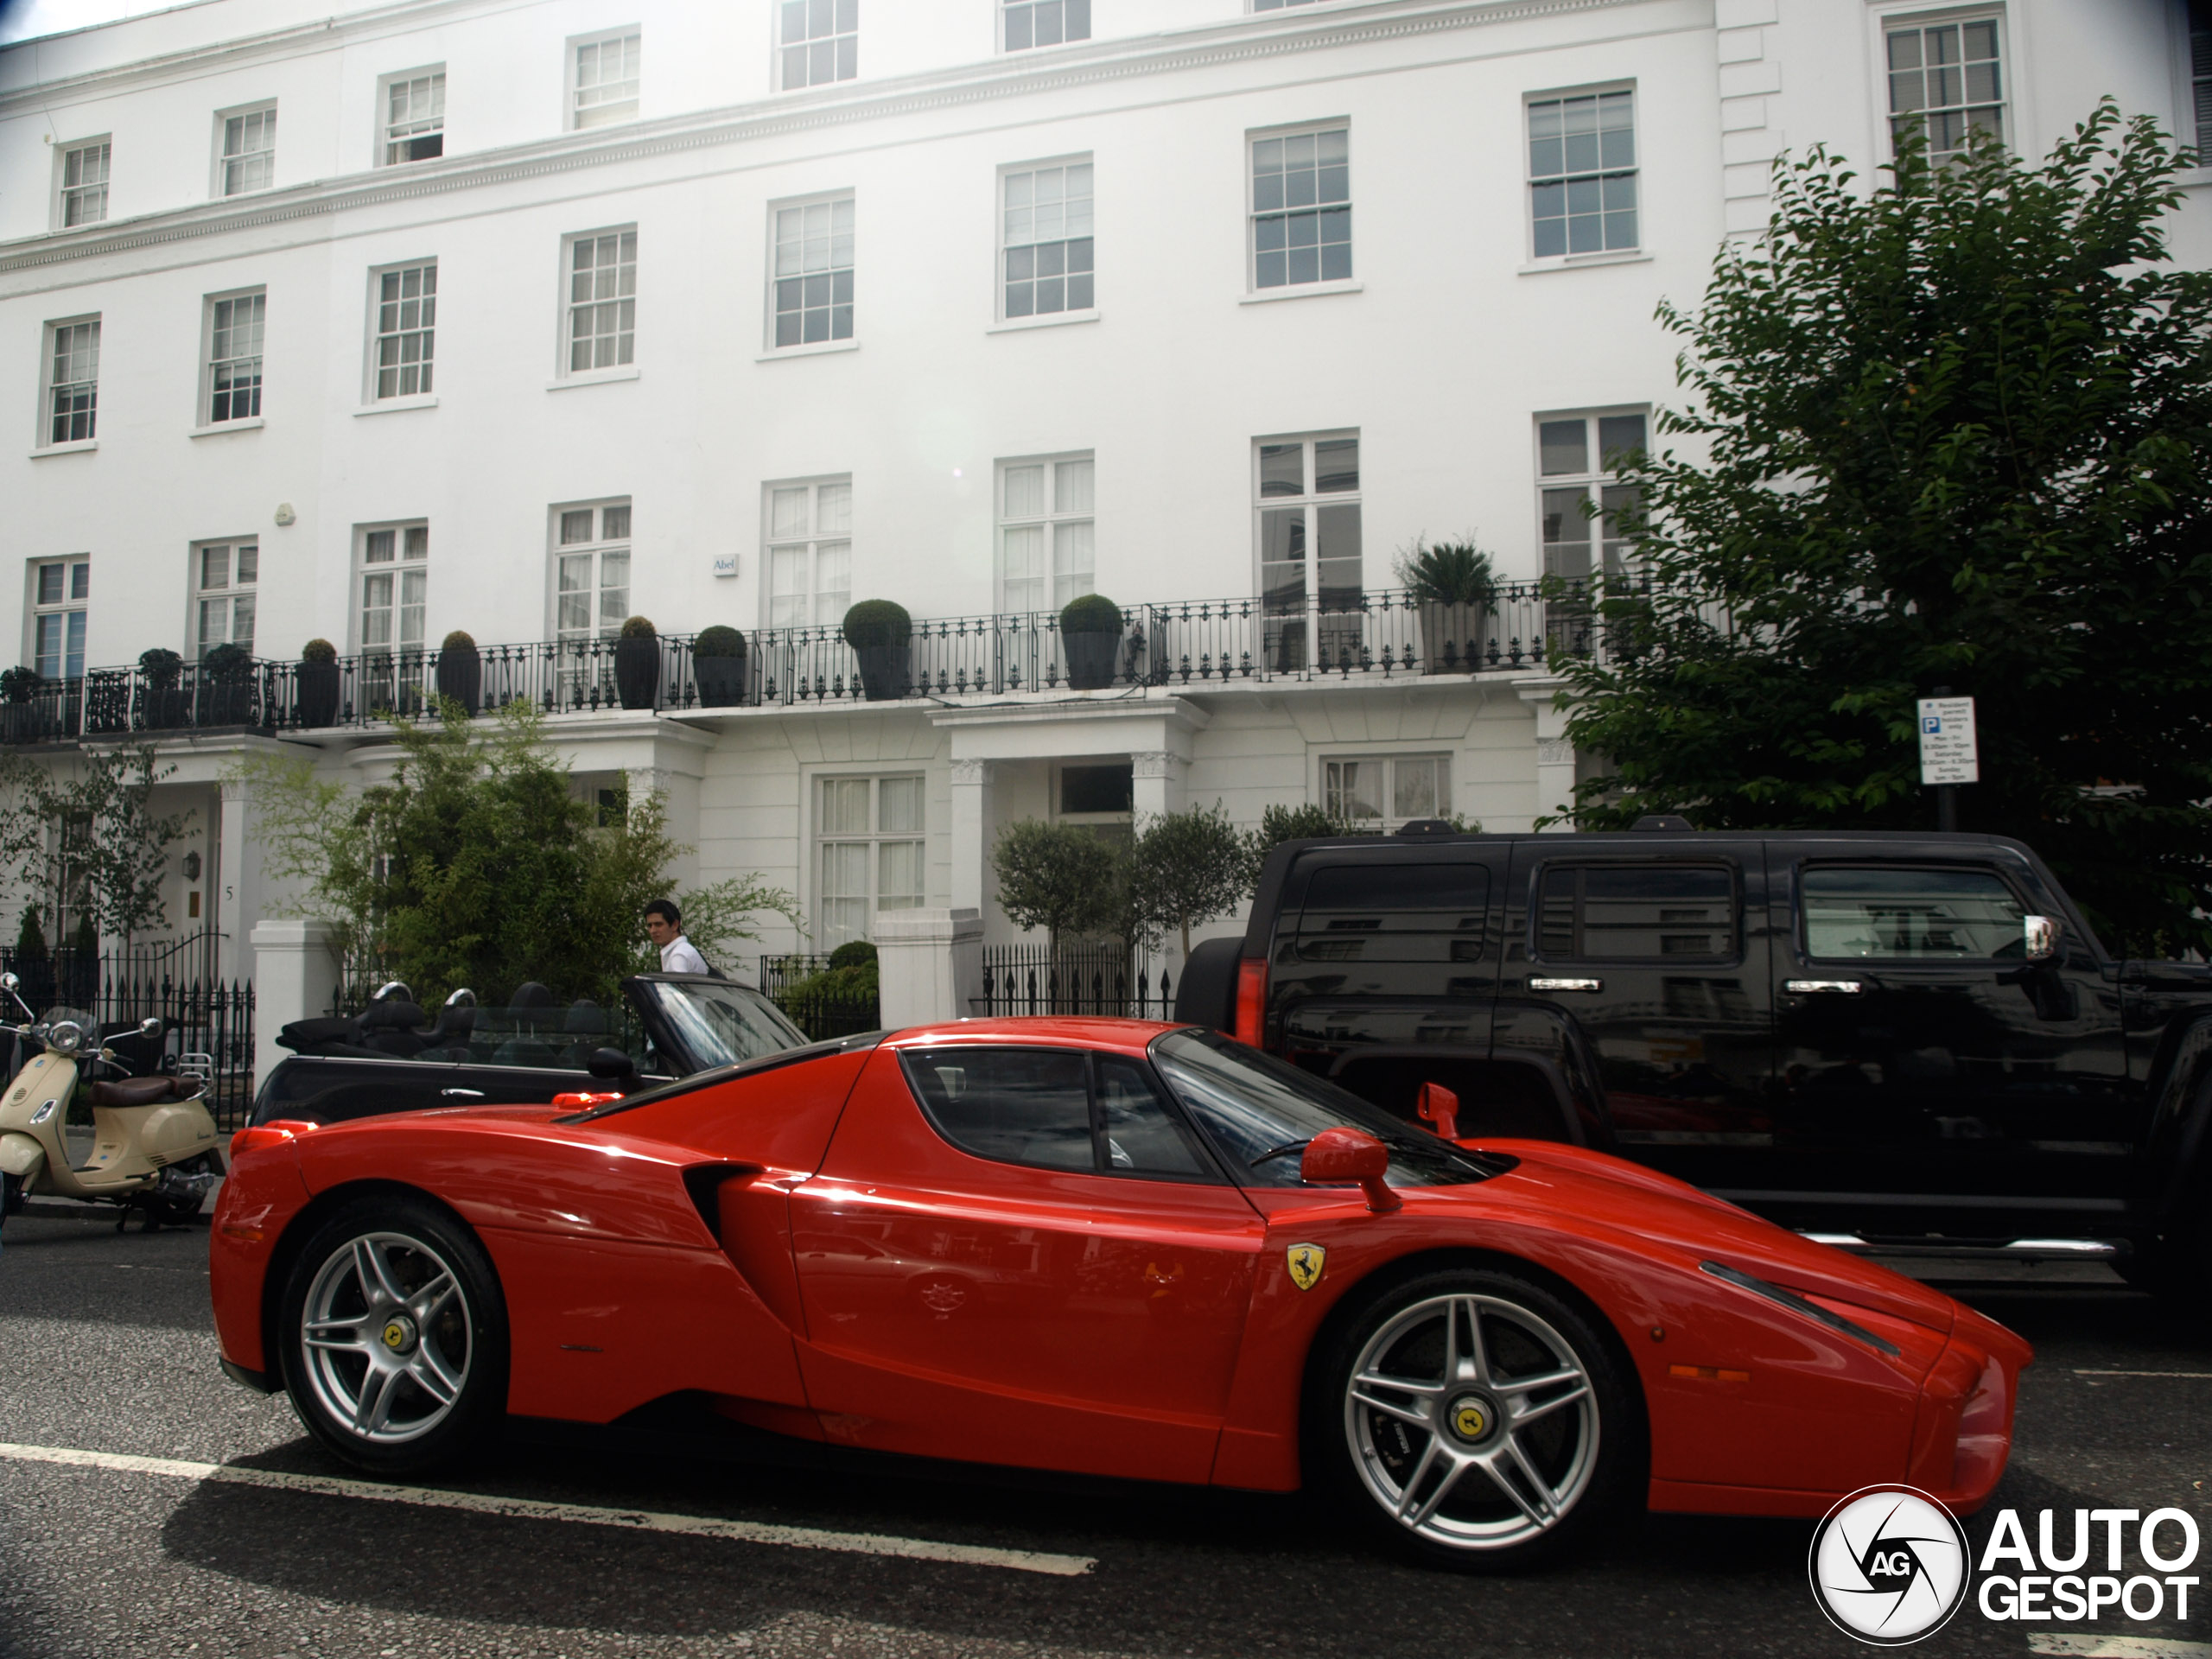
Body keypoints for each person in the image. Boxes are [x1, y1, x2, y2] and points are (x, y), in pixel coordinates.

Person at [644, 899, 709, 976]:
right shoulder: (681, 950)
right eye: (650, 926)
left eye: (658, 924)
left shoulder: (678, 955)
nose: (653, 930)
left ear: (675, 925)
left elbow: (679, 983)